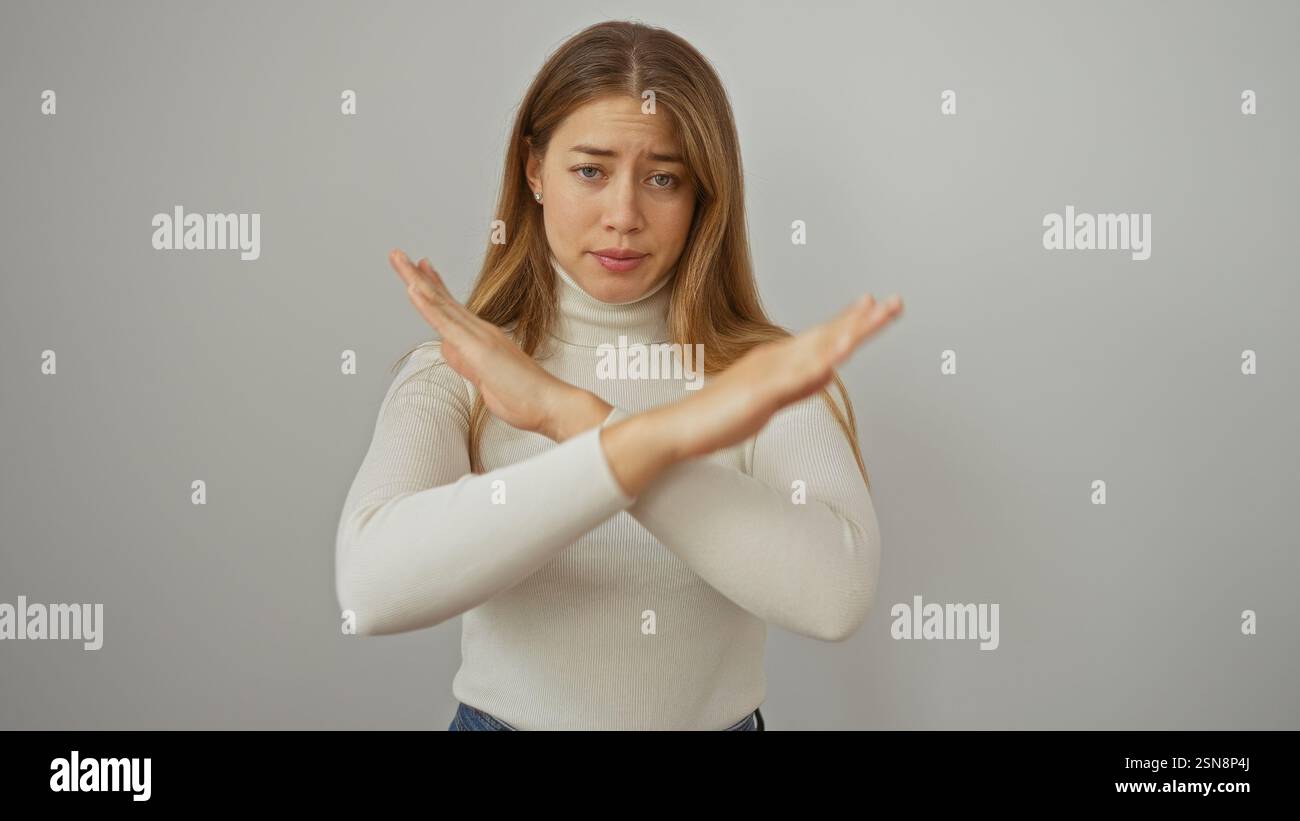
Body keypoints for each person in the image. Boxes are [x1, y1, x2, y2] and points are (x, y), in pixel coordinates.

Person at [335, 19, 903, 731]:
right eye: (590, 170)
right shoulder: (459, 372)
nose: (624, 215)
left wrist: (567, 416)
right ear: (534, 170)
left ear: (703, 195)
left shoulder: (766, 378)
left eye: (663, 178)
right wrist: (635, 443)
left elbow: (834, 594)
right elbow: (370, 586)